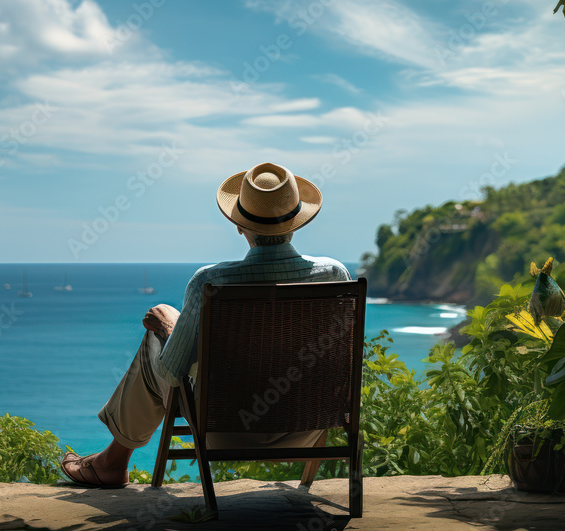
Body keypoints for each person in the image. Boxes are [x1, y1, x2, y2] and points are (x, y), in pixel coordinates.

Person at [59, 162, 351, 487]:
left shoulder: (211, 281)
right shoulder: (334, 275)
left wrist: (169, 328)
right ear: (296, 223)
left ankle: (112, 463)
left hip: (225, 433)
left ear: (240, 226)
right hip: (306, 430)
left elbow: (171, 374)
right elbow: (341, 365)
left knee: (157, 339)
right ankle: (111, 461)